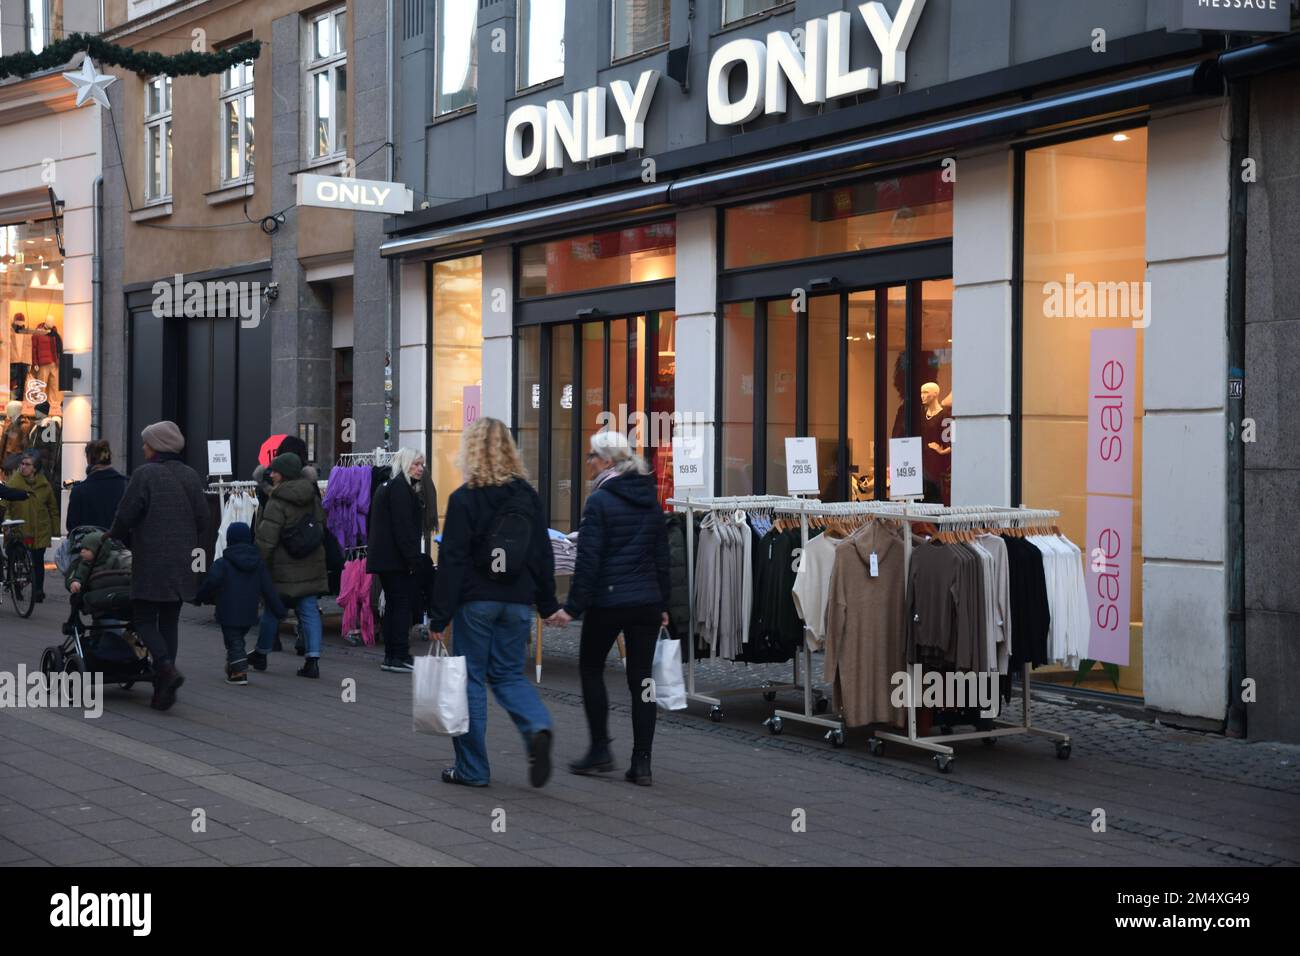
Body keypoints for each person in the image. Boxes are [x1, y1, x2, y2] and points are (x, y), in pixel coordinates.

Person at [429, 417, 560, 789]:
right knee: (508, 675)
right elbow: (542, 554)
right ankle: (537, 726)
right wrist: (547, 603)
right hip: (517, 602)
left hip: (476, 602)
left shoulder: (464, 498)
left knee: (470, 680)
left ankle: (472, 768)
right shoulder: (527, 496)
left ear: (470, 451)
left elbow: (452, 561)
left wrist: (439, 615)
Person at [549, 431, 671, 786]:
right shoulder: (649, 497)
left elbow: (589, 561)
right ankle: (642, 762)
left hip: (609, 602)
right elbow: (662, 557)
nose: (588, 462)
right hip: (646, 602)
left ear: (606, 461)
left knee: (590, 668)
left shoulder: (599, 501)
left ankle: (600, 748)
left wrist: (572, 607)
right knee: (642, 679)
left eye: (592, 456)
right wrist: (663, 603)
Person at [108, 421, 208, 711]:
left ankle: (165, 667)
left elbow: (125, 515)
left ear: (157, 447)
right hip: (183, 562)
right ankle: (163, 686)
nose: (143, 448)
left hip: (151, 560)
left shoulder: (145, 474)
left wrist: (114, 535)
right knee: (169, 621)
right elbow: (204, 519)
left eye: (146, 443)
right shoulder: (191, 476)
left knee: (143, 618)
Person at [248, 453, 328, 679]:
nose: (271, 474)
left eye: (275, 471)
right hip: (311, 562)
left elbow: (267, 539)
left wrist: (258, 565)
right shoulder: (311, 495)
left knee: (273, 610)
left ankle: (261, 653)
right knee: (309, 610)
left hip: (283, 567)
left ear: (283, 474)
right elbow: (321, 525)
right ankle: (312, 661)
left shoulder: (277, 500)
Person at [194, 521, 287, 685]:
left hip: (227, 611)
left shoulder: (223, 563)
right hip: (249, 613)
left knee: (234, 641)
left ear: (229, 540)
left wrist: (198, 597)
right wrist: (279, 610)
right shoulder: (258, 564)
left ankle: (239, 672)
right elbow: (269, 590)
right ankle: (233, 665)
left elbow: (211, 583)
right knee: (237, 640)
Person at [366, 447, 426, 672]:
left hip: (385, 558)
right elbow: (403, 527)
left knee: (393, 604)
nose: (420, 469)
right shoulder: (400, 488)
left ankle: (392, 656)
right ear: (406, 463)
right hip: (396, 559)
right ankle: (399, 654)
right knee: (401, 605)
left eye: (422, 464)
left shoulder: (388, 485)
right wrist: (412, 560)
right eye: (416, 464)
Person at [4, 451, 58, 603]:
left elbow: (53, 508)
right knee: (17, 559)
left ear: (35, 468)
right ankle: (16, 588)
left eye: (27, 464)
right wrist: (7, 521)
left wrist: (56, 529)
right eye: (21, 464)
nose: (23, 467)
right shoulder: (13, 483)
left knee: (38, 560)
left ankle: (38, 590)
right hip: (19, 527)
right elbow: (5, 505)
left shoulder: (44, 485)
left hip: (40, 528)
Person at [66, 440, 128, 534]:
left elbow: (72, 528)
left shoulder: (79, 491)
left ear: (88, 459)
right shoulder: (126, 485)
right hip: (120, 542)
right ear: (110, 458)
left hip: (88, 543)